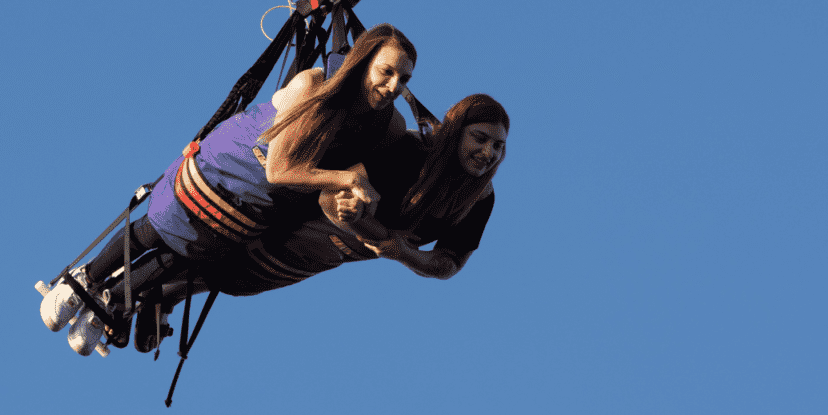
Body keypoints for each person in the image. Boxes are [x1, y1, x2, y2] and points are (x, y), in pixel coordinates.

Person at [39, 23, 417, 354]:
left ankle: (113, 300)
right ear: (364, 61)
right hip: (229, 168)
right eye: (386, 72)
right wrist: (348, 179)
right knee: (158, 228)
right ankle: (85, 279)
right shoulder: (313, 85)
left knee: (186, 253)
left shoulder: (386, 126)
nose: (393, 86)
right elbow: (280, 170)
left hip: (256, 207)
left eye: (404, 80)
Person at [202, 93, 509, 299]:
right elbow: (335, 190)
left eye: (498, 146)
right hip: (295, 226)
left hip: (314, 257)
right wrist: (347, 207)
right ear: (457, 133)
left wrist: (405, 253)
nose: (488, 153)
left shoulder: (480, 197)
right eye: (480, 139)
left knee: (233, 283)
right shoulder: (412, 152)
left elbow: (450, 262)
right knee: (207, 261)